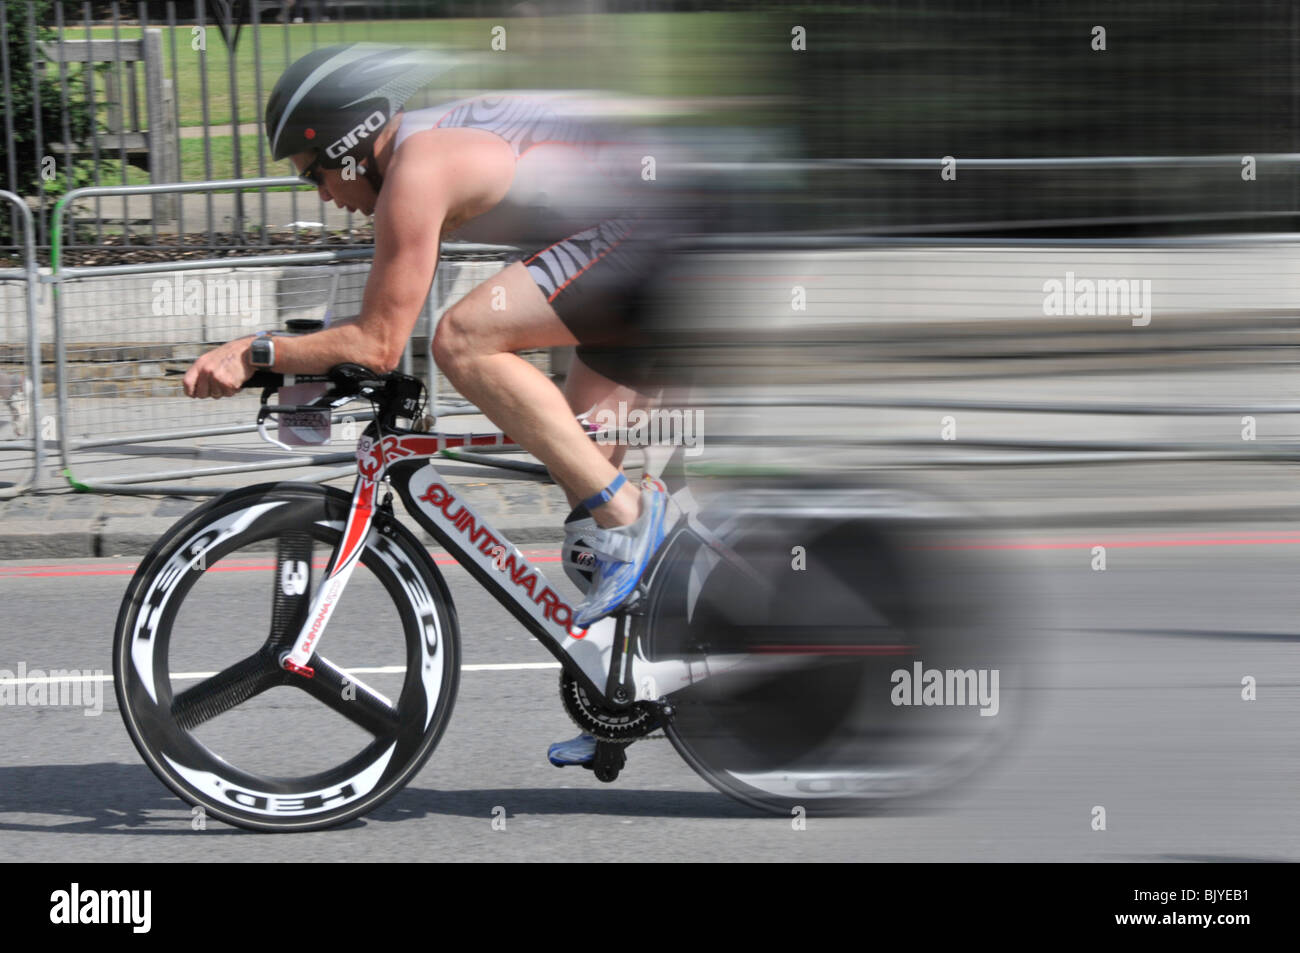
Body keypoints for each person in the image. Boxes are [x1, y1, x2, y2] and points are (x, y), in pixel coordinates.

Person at [182, 43, 680, 767]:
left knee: (467, 340)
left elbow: (382, 341)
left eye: (315, 172)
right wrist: (305, 358)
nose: (322, 194)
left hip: (653, 225)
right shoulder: (425, 151)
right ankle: (627, 686)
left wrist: (252, 353)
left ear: (350, 145)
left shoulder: (417, 167)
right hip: (653, 228)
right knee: (590, 521)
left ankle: (634, 522)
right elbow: (372, 316)